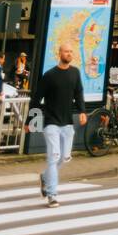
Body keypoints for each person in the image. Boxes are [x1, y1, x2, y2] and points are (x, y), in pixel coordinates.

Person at [29, 43, 87, 207]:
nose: (69, 54)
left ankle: (45, 177)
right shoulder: (49, 75)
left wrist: (82, 111)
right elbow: (36, 98)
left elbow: (79, 93)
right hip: (51, 123)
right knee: (54, 157)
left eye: (71, 52)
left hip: (67, 123)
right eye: (66, 51)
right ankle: (52, 195)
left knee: (63, 158)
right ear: (59, 53)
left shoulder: (75, 73)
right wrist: (29, 121)